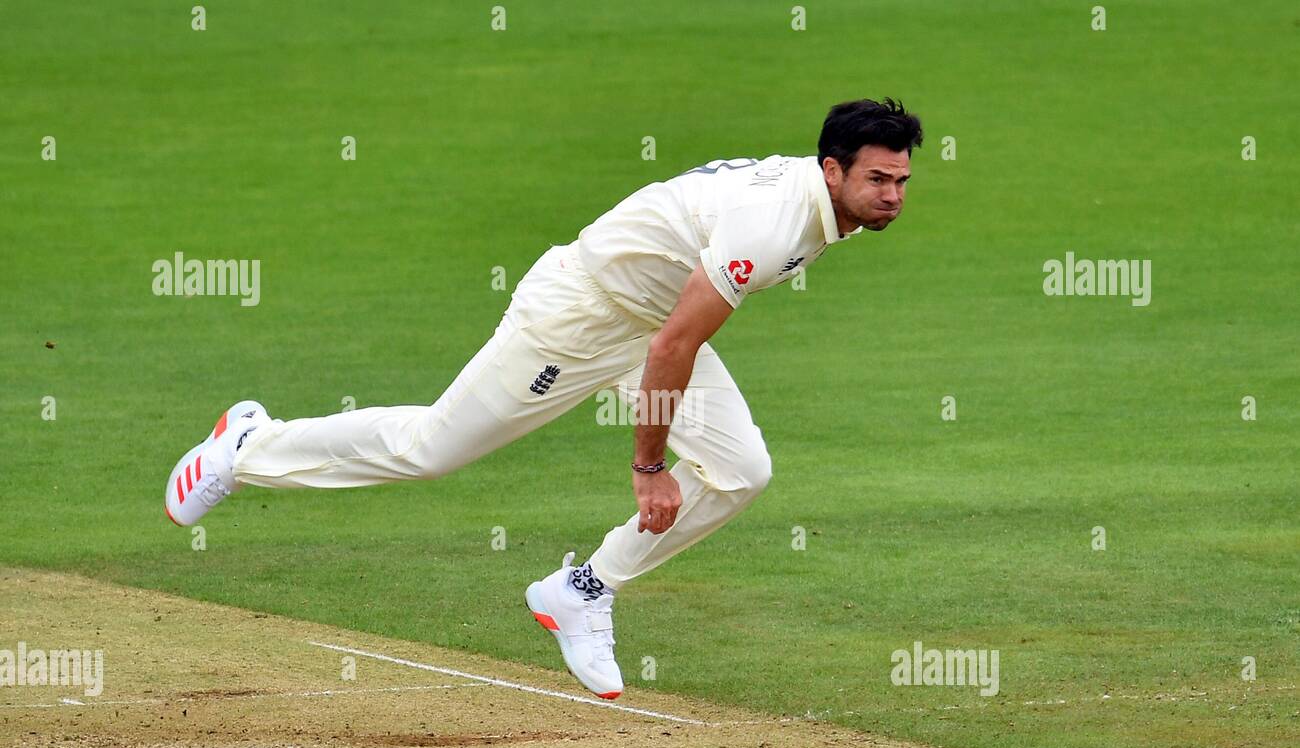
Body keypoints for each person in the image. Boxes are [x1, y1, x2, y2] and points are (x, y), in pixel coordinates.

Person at [163, 98, 923, 700]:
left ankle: (582, 587)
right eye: (877, 180)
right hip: (580, 316)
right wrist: (648, 466)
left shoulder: (824, 206)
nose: (891, 197)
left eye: (901, 182)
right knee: (432, 448)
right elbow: (674, 349)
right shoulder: (775, 221)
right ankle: (248, 447)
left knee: (742, 470)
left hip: (647, 319)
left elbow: (671, 335)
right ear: (831, 169)